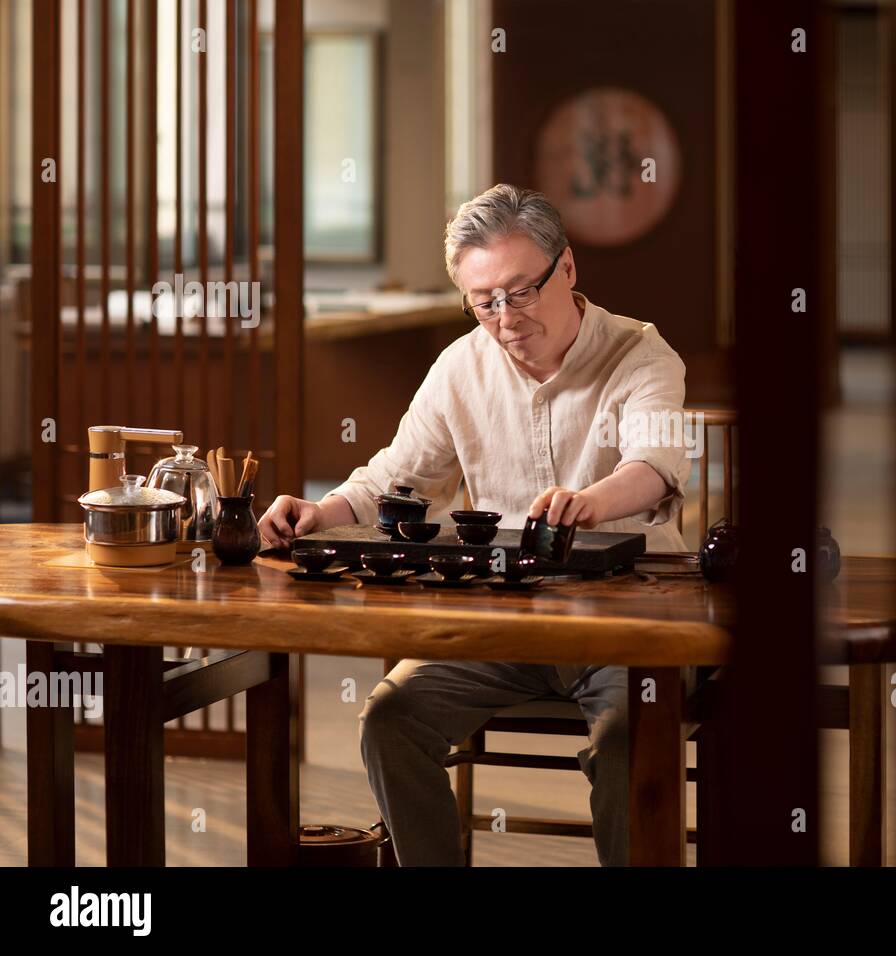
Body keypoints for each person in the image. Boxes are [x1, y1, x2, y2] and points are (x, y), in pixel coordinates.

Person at [257, 184, 690, 865]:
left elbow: (656, 466)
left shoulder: (641, 354)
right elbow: (394, 478)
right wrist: (323, 513)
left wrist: (591, 502)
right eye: (482, 300)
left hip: (630, 619)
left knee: (624, 741)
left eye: (520, 292)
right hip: (506, 616)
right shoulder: (461, 366)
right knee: (389, 719)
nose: (503, 316)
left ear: (567, 268)